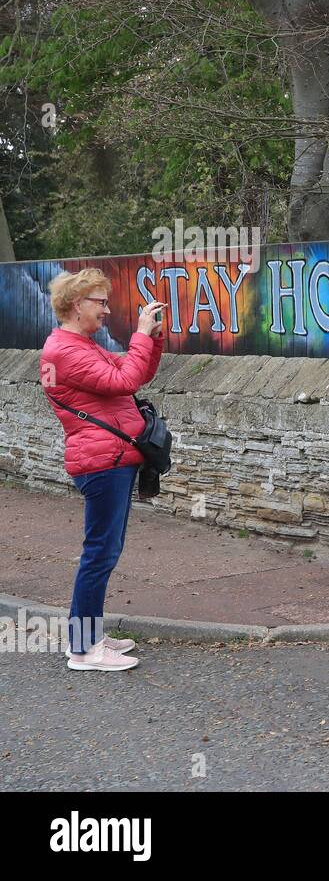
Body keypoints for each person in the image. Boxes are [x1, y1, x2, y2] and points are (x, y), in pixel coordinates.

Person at [40, 266, 167, 671]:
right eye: (101, 302)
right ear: (77, 305)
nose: (107, 310)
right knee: (99, 553)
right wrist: (142, 333)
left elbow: (136, 370)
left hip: (109, 461)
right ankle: (82, 650)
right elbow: (126, 380)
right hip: (101, 464)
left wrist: (153, 339)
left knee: (103, 551)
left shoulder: (81, 345)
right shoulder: (65, 351)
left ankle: (89, 634)